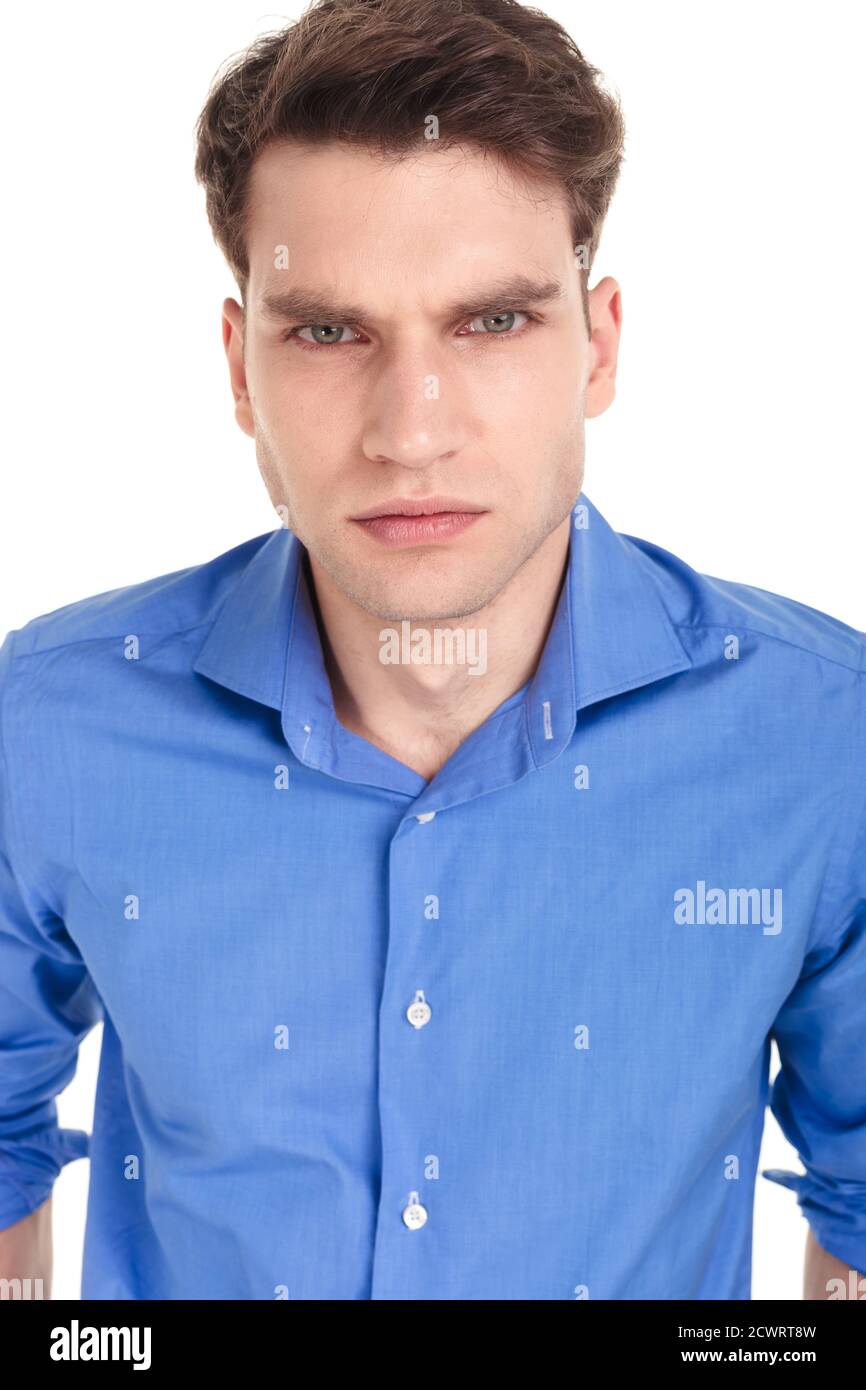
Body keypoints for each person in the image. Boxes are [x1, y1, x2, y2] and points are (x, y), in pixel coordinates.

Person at [1, 0, 864, 1301]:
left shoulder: (820, 742)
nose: (411, 431)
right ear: (239, 369)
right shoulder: (47, 729)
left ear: (600, 344)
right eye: (329, 331)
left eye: (491, 323)